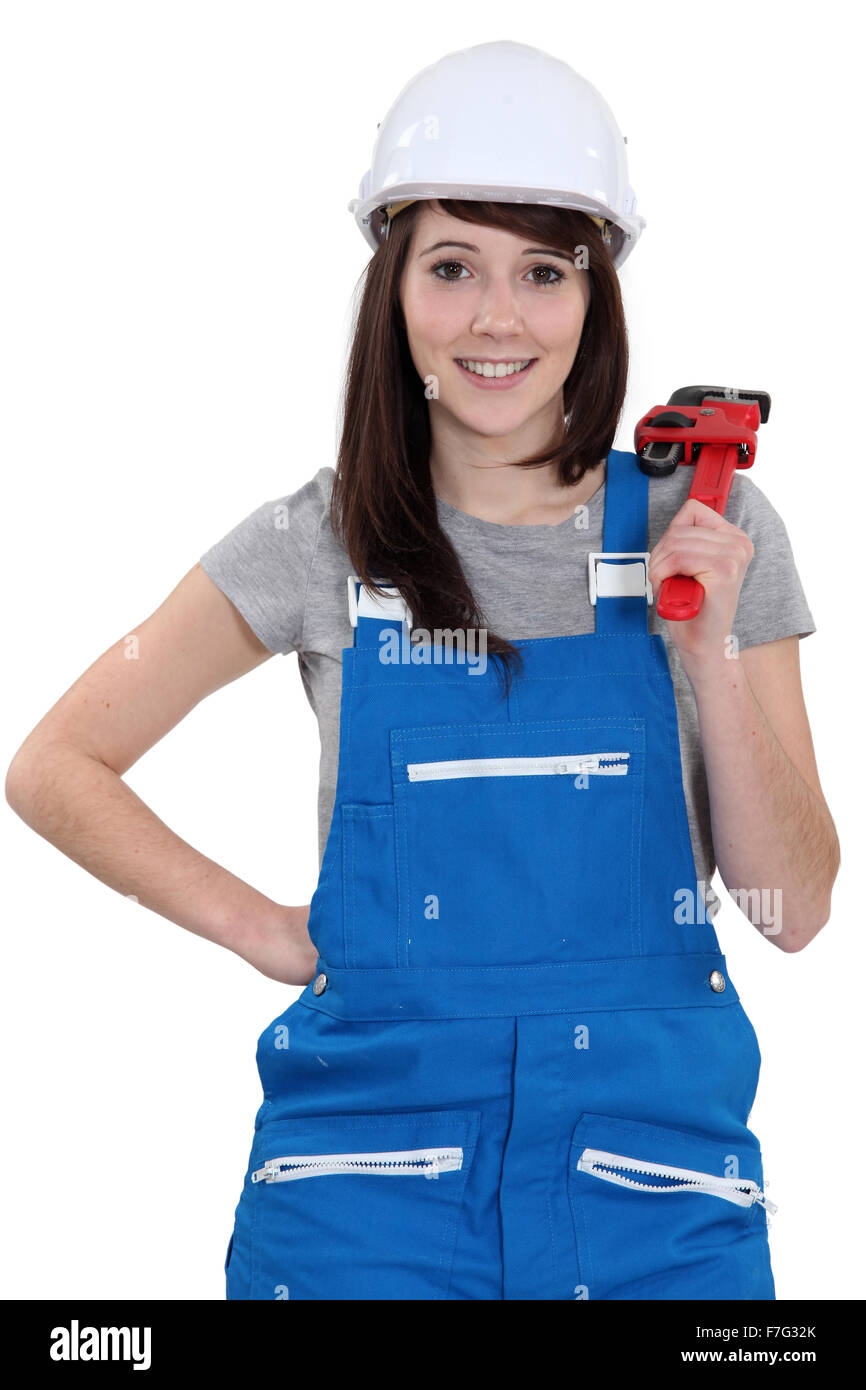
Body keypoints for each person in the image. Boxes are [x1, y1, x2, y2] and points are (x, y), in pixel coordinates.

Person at [6, 40, 839, 1301]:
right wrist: (266, 931)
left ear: (593, 295)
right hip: (362, 1208)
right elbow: (55, 763)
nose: (496, 319)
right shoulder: (315, 543)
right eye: (452, 269)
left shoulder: (710, 527)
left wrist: (705, 654)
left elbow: (793, 912)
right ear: (394, 292)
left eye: (542, 271)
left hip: (654, 1205)